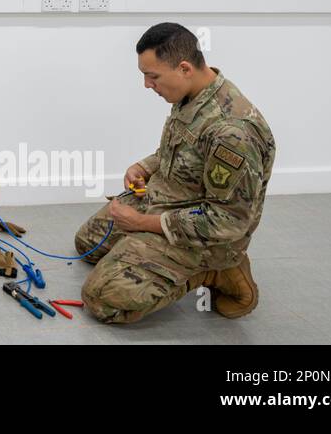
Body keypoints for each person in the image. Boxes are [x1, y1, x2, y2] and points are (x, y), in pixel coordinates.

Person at [72, 22, 276, 325]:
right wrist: (145, 166)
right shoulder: (191, 94)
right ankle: (145, 246)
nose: (146, 85)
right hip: (167, 201)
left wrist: (143, 223)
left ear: (184, 68)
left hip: (205, 236)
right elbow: (179, 151)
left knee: (103, 300)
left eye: (152, 77)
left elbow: (229, 221)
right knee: (89, 243)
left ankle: (217, 271)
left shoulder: (232, 133)